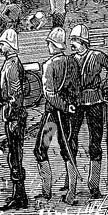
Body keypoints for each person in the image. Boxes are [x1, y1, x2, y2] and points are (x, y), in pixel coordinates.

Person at [68, 24, 108, 200]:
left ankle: (94, 184)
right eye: (71, 40)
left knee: (95, 142)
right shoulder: (71, 59)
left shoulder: (97, 56)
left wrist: (106, 84)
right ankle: (71, 181)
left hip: (95, 102)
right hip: (76, 102)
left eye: (75, 40)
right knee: (71, 139)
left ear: (83, 41)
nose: (72, 44)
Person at [33, 27, 82, 205]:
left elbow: (50, 94)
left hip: (53, 115)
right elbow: (77, 89)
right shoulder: (73, 62)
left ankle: (46, 192)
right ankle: (71, 192)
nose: (47, 46)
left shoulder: (49, 65)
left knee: (40, 148)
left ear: (53, 45)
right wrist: (70, 106)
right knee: (69, 149)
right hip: (71, 112)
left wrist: (62, 106)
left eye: (48, 43)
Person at [0, 29, 28, 211]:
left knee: (15, 156)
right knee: (14, 156)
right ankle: (18, 194)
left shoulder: (13, 65)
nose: (0, 47)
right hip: (11, 113)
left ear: (9, 46)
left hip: (14, 115)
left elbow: (17, 93)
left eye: (2, 44)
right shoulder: (11, 63)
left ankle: (20, 196)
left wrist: (15, 116)